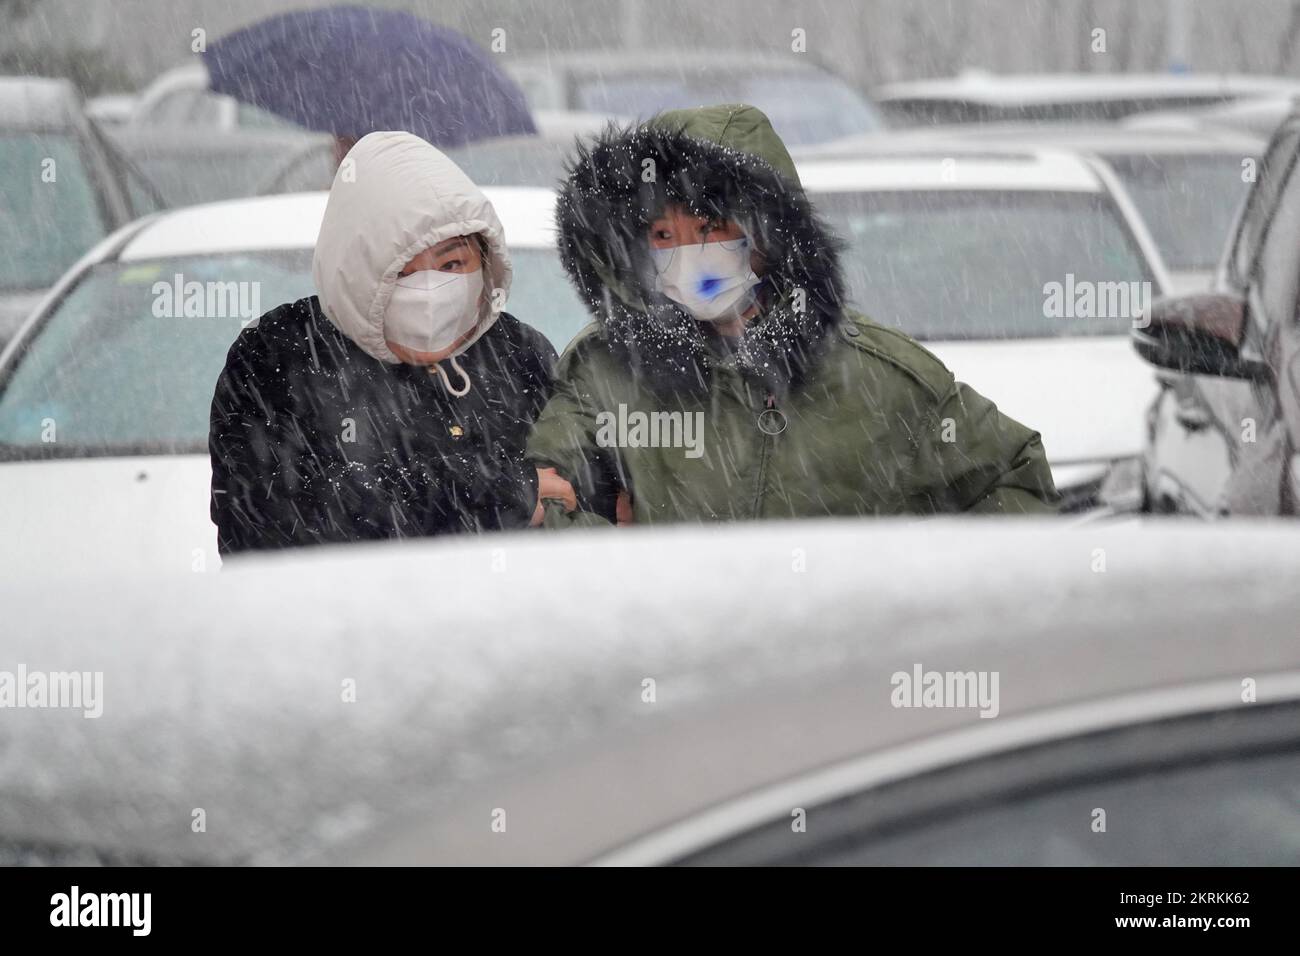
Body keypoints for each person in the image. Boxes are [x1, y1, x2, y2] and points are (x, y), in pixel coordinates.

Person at [527, 104, 1059, 524]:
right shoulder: (606, 371)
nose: (689, 253)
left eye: (712, 225)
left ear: (770, 234)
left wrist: (910, 590)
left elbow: (1010, 482)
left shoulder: (880, 378)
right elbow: (545, 493)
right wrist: (625, 567)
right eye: (664, 235)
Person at [210, 131, 573, 554]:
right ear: (359, 273)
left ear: (484, 260)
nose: (431, 289)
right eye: (402, 271)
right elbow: (271, 523)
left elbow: (579, 494)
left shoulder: (517, 355)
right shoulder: (281, 357)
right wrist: (494, 496)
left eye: (452, 263)